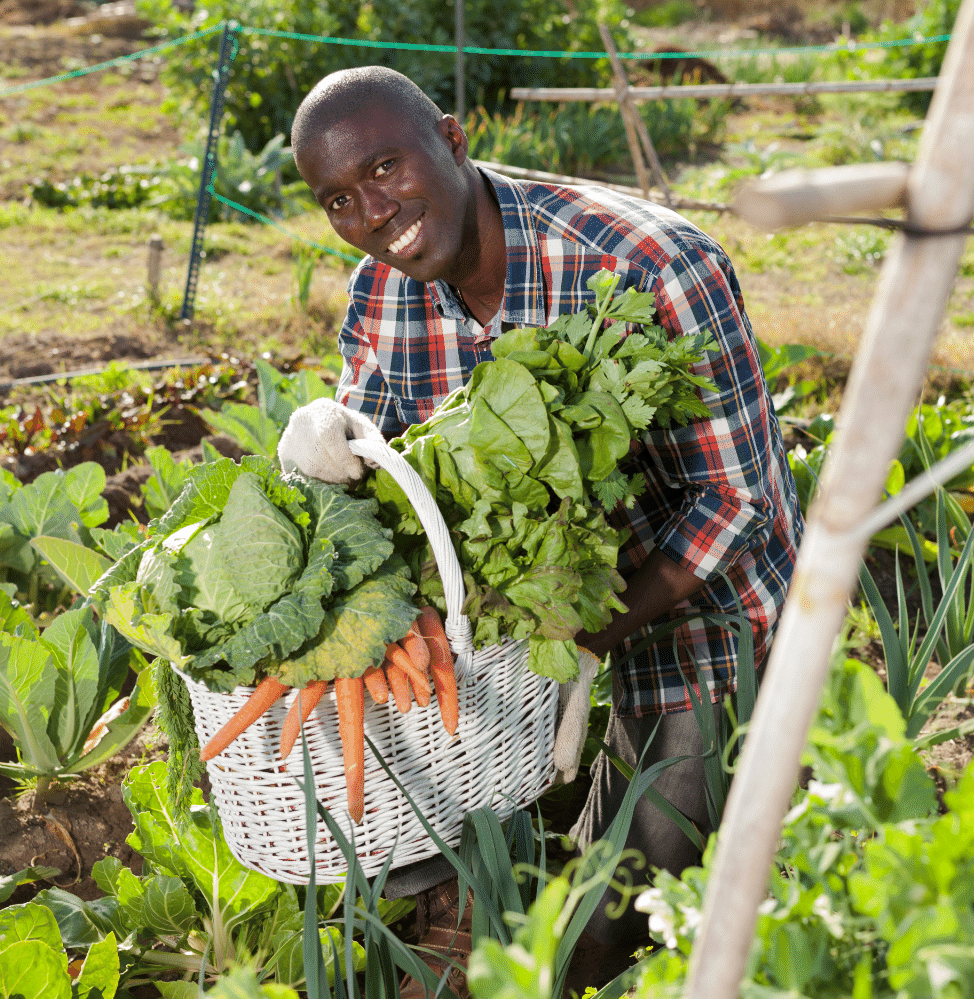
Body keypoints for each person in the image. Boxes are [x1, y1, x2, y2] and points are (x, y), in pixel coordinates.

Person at [277, 65, 802, 994]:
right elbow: (389, 491)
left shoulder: (650, 263)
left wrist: (584, 640)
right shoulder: (379, 292)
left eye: (387, 167)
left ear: (453, 137)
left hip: (698, 611)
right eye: (339, 199)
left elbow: (735, 504)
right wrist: (331, 454)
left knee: (617, 916)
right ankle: (469, 912)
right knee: (415, 810)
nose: (373, 212)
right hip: (512, 625)